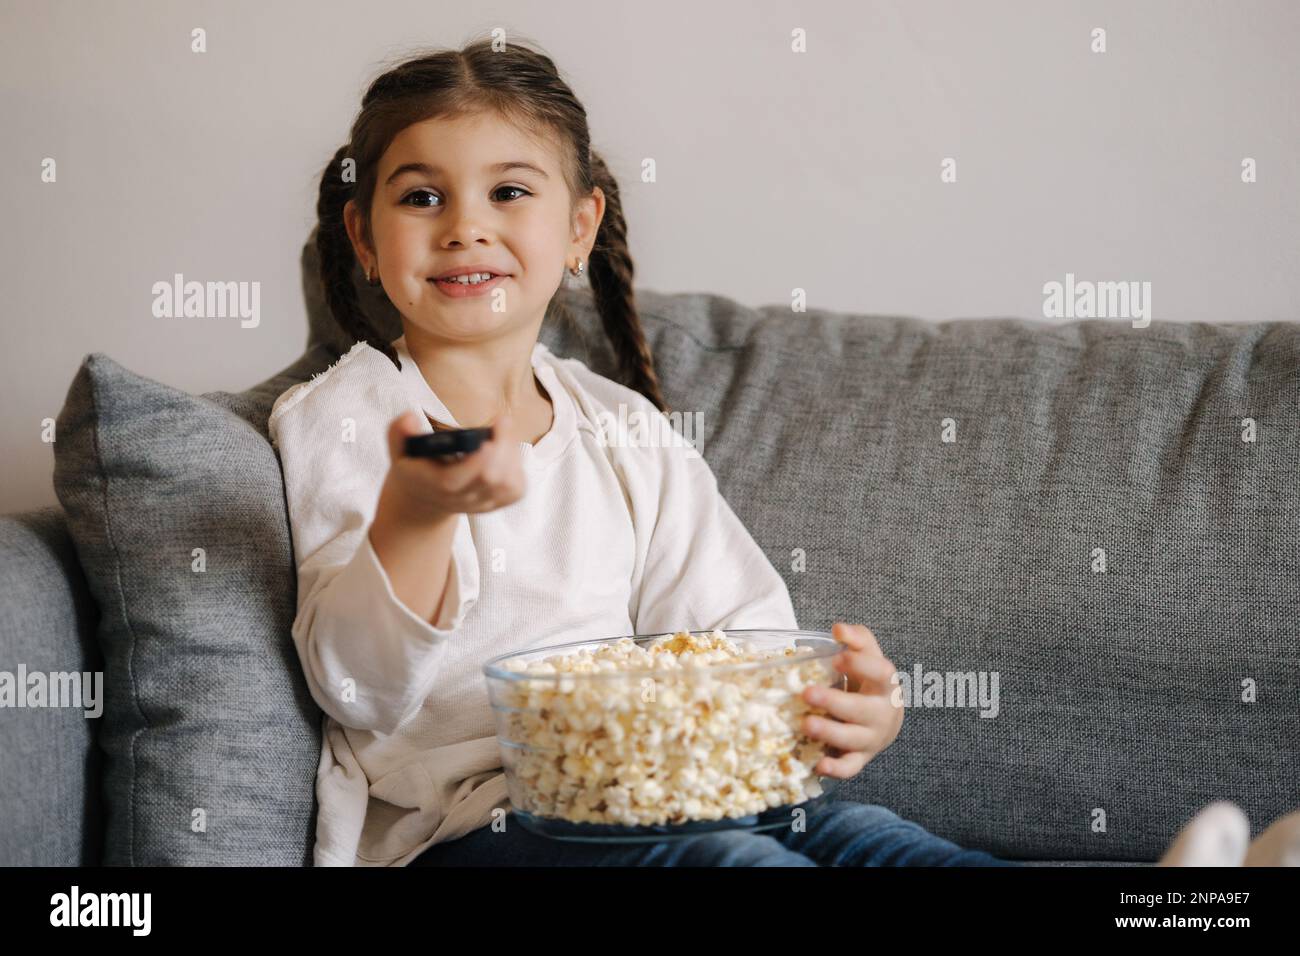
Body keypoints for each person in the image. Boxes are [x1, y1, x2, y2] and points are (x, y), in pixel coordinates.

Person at [269, 35, 1300, 868]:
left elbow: (731, 640)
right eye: (420, 197)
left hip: (668, 790)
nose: (464, 228)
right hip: (475, 833)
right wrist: (418, 512)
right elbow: (351, 683)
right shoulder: (343, 420)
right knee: (736, 863)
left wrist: (838, 709)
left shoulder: (622, 428)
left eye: (509, 192)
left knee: (880, 841)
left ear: (579, 227)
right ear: (363, 237)